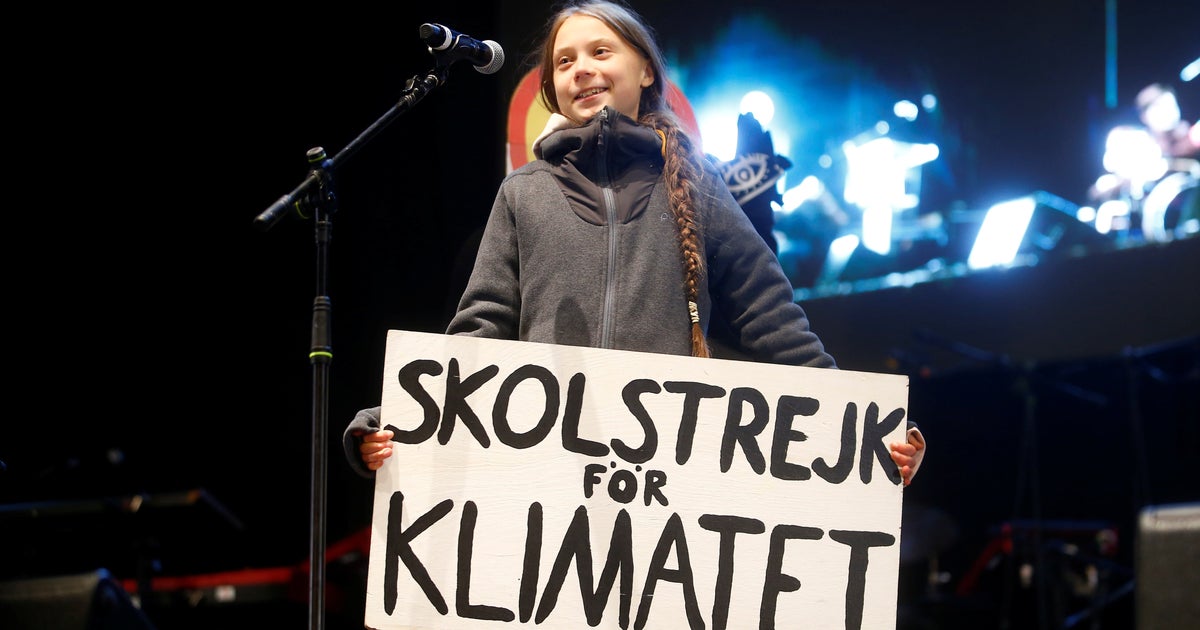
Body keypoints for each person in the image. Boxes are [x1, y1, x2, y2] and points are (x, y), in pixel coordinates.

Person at [344, 0, 925, 485]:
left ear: (645, 70)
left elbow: (774, 323)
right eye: (564, 61)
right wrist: (400, 418)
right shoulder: (523, 193)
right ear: (550, 89)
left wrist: (867, 430)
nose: (582, 69)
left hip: (667, 483)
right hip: (545, 475)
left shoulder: (699, 186)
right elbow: (480, 331)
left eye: (601, 52)